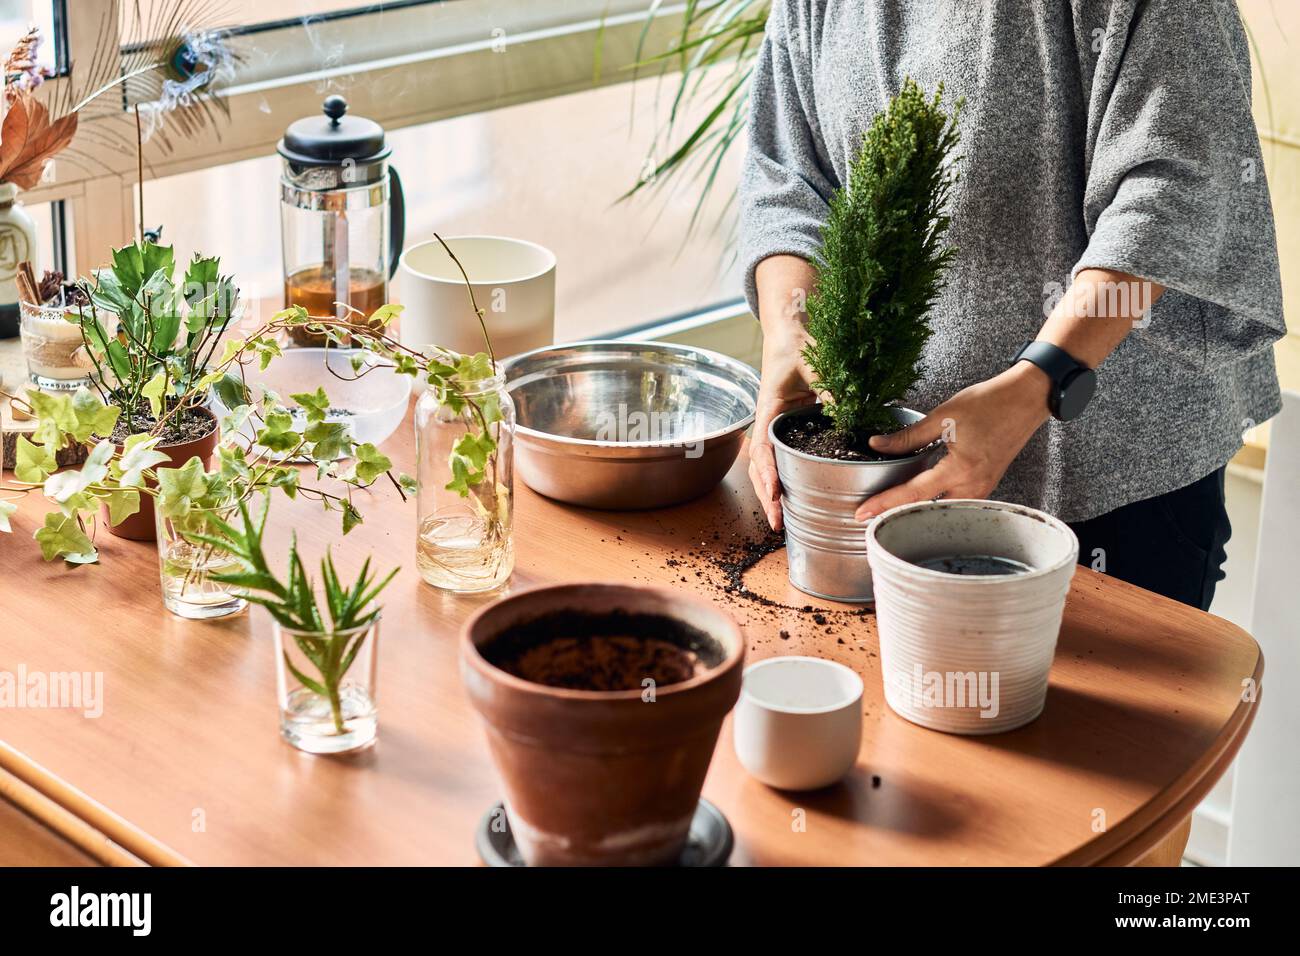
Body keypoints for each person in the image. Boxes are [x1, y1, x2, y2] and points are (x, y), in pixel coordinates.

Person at [740, 0, 1286, 864]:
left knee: (1105, 823)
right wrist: (788, 340)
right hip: (897, 485)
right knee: (928, 810)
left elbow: (1168, 191)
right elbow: (785, 176)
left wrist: (1040, 382)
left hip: (1116, 494)